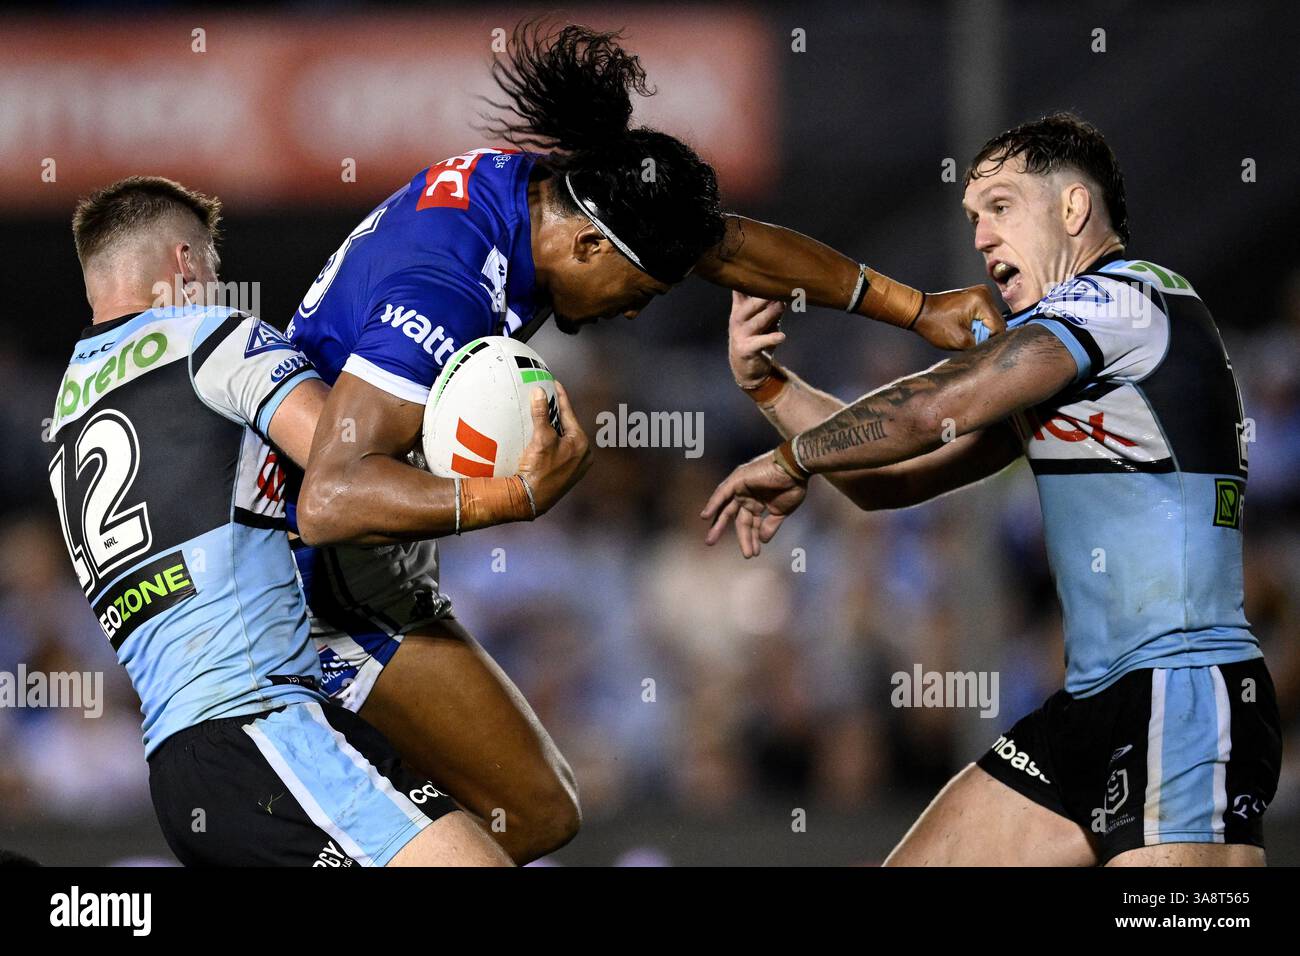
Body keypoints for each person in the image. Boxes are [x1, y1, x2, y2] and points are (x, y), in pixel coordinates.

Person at [286, 20, 1005, 863]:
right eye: (639, 289)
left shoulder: (539, 195)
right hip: (310, 578)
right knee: (509, 814)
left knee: (537, 812)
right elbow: (329, 499)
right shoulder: (439, 291)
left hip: (374, 568)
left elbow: (733, 247)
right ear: (592, 244)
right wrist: (514, 498)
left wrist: (914, 309)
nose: (635, 311)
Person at [704, 112, 1281, 866]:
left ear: (1074, 209)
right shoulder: (1070, 366)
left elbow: (932, 408)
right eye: (974, 217)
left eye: (1002, 207)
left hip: (1183, 697)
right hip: (1088, 713)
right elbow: (886, 480)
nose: (980, 237)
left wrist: (791, 460)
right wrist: (769, 386)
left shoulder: (1130, 301)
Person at [49, 176, 511, 865]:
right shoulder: (212, 336)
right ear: (183, 264)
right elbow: (347, 469)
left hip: (180, 770)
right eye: (210, 267)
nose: (212, 283)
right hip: (266, 729)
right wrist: (506, 491)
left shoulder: (63, 416)